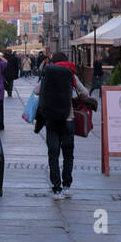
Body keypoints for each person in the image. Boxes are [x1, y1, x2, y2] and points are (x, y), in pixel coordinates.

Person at [34, 52, 90, 199]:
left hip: (52, 119)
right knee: (68, 154)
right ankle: (66, 185)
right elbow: (85, 93)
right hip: (68, 118)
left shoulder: (48, 74)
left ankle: (56, 187)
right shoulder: (70, 75)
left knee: (53, 154)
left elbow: (36, 90)